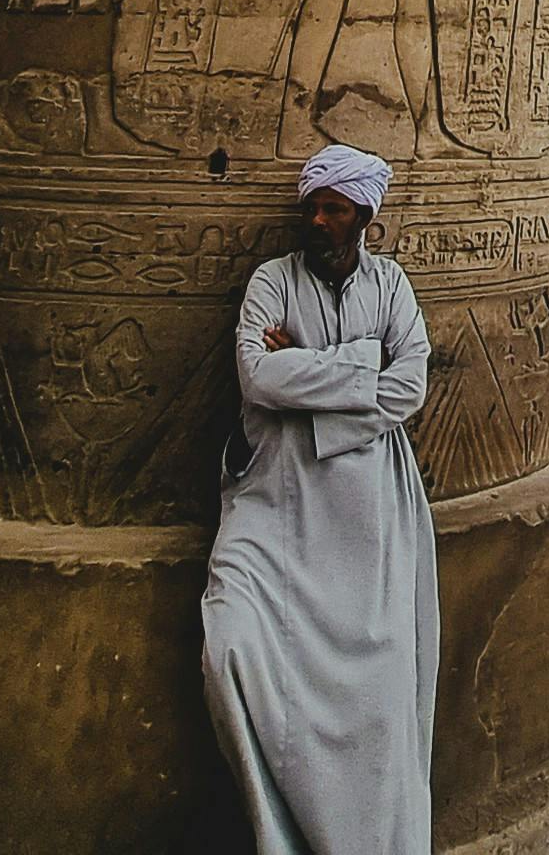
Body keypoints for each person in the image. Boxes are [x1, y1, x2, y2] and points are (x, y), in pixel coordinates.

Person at [202, 143, 438, 855]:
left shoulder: (390, 285)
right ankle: (281, 837)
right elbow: (257, 378)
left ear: (365, 218)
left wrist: (305, 377)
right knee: (232, 646)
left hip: (371, 504)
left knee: (380, 680)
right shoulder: (272, 281)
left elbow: (410, 387)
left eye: (334, 209)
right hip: (276, 494)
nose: (317, 220)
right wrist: (365, 361)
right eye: (313, 206)